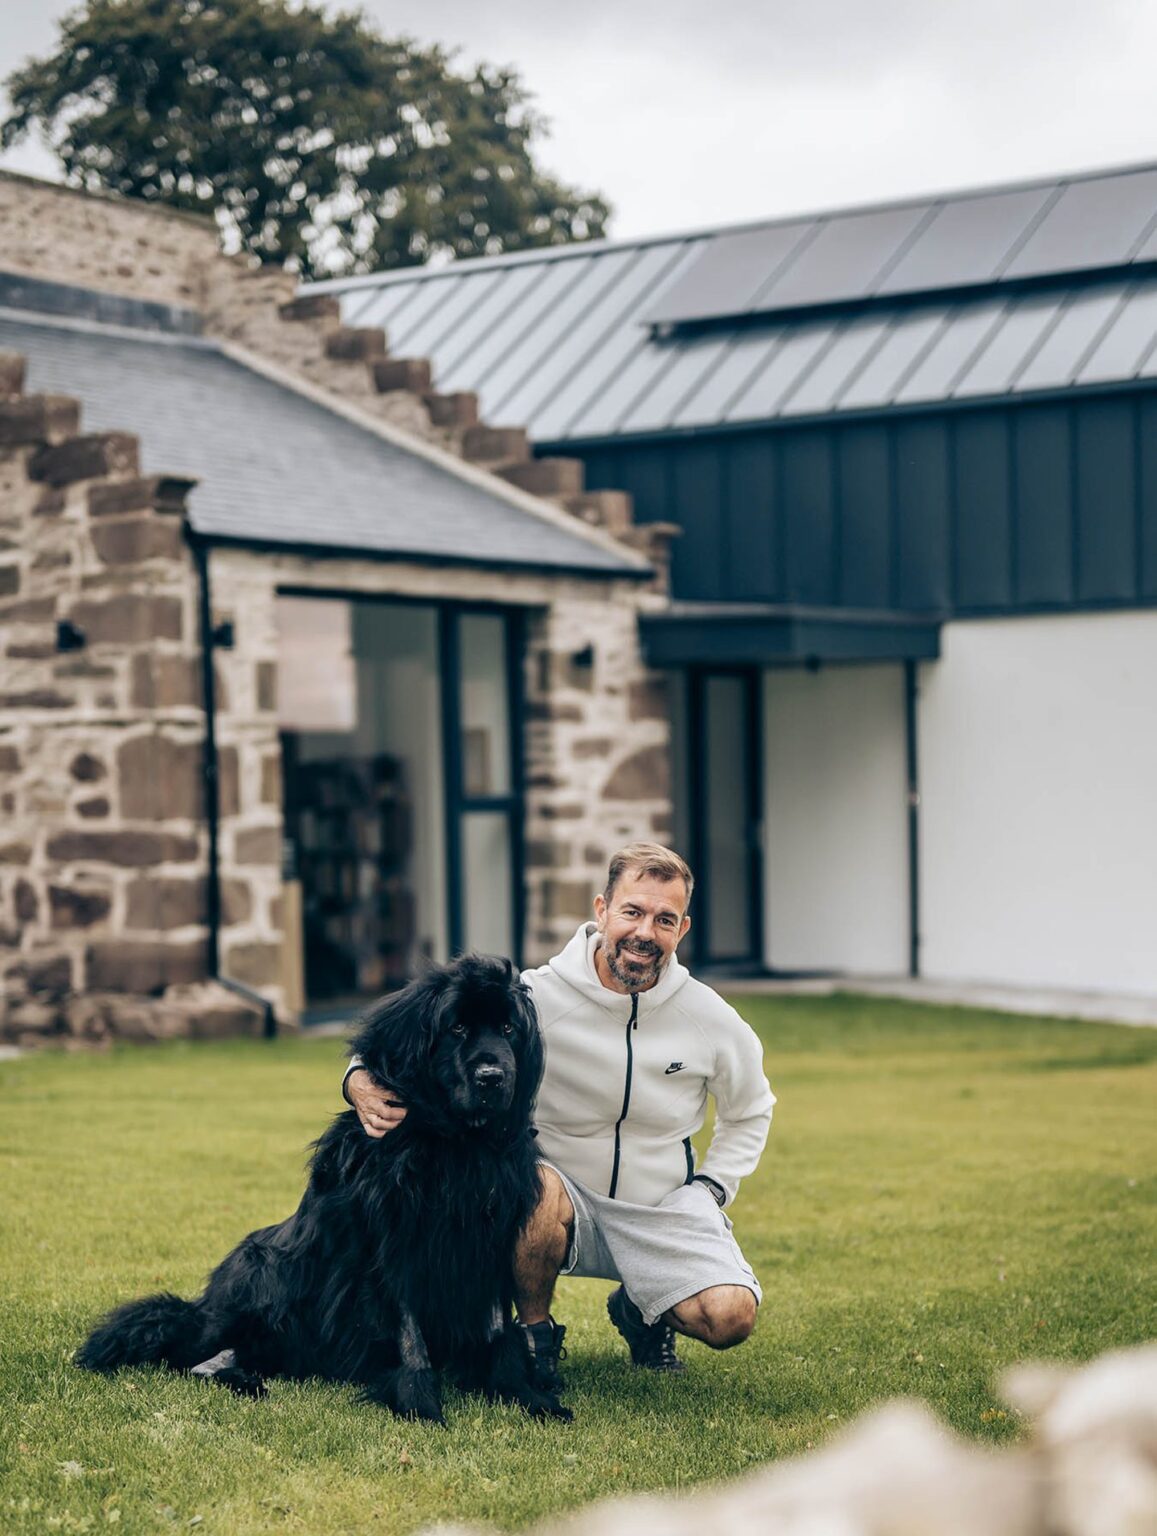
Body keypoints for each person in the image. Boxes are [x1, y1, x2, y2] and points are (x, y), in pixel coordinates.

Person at [344, 842, 775, 1389]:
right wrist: (357, 1077)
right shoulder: (535, 995)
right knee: (534, 1183)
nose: (645, 931)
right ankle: (534, 1340)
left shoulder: (710, 1017)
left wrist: (712, 1188)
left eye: (664, 919)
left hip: (664, 1208)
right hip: (555, 1200)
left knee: (731, 1318)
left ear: (682, 929)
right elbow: (413, 1027)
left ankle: (640, 1310)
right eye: (633, 912)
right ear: (601, 910)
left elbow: (752, 1107)